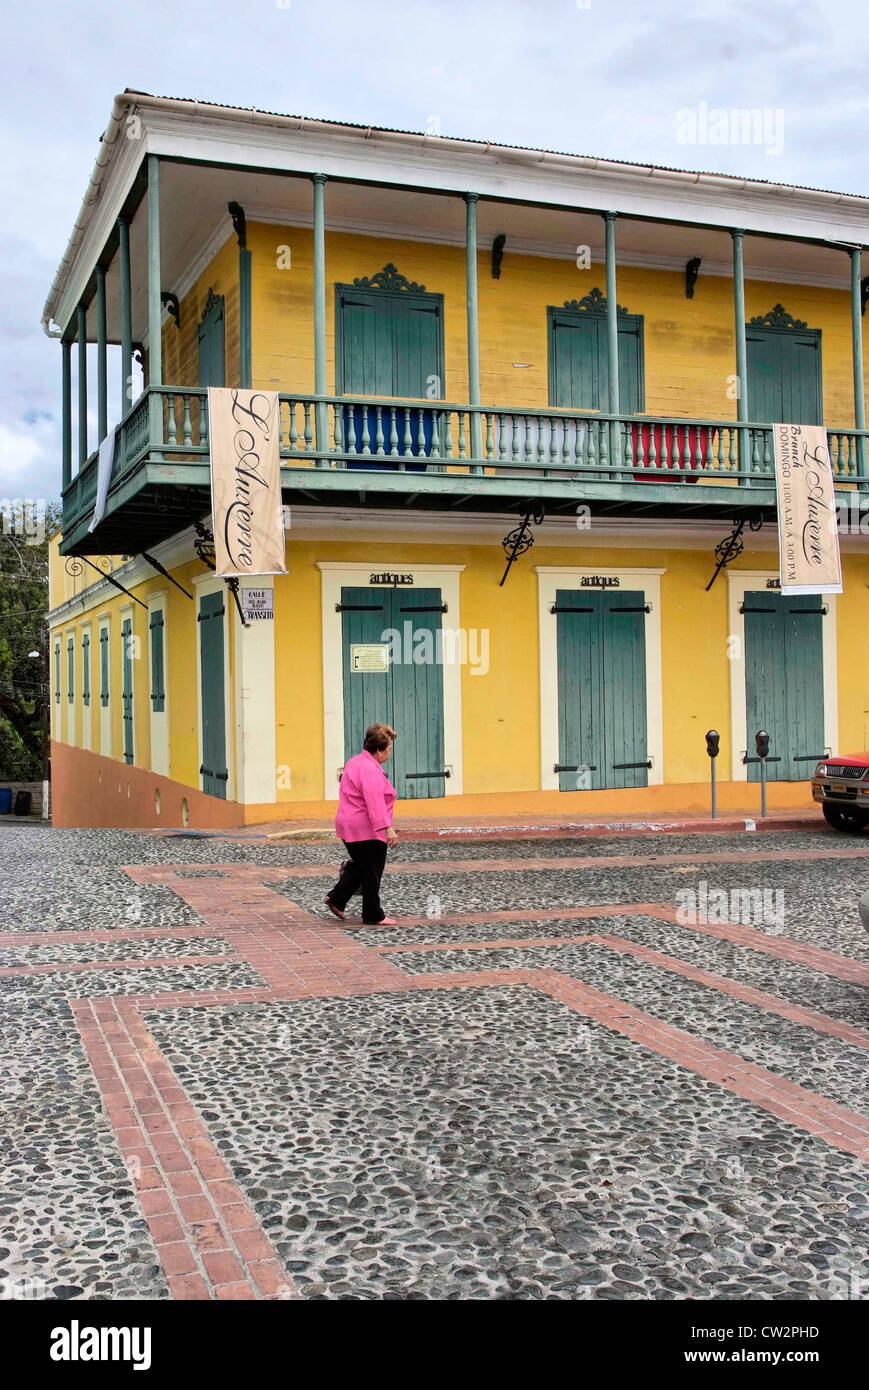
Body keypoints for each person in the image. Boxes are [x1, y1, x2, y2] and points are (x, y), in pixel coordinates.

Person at [326, 723, 399, 925]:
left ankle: (337, 898)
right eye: (389, 749)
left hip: (349, 824)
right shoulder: (370, 770)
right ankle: (373, 914)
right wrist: (388, 829)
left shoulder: (356, 762)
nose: (390, 753)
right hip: (365, 828)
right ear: (378, 751)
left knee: (363, 866)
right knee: (373, 871)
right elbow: (374, 802)